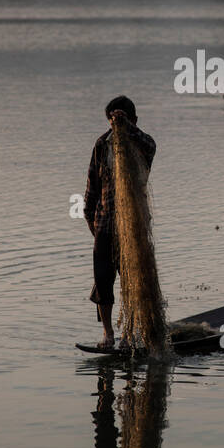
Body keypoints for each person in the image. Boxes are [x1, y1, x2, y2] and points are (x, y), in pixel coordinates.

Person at [84, 96, 156, 351]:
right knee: (103, 282)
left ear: (134, 120)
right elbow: (91, 190)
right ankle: (108, 335)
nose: (115, 126)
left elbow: (150, 146)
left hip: (133, 228)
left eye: (121, 120)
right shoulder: (102, 145)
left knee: (132, 283)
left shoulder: (141, 143)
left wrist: (128, 129)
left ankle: (129, 335)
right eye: (113, 121)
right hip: (105, 226)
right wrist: (93, 224)